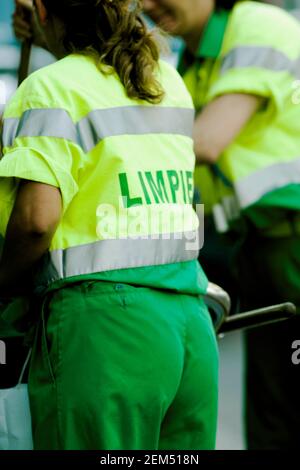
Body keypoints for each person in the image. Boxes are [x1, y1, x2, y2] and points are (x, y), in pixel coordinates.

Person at [0, 0, 218, 450]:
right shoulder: (166, 81)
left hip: (105, 336)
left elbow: (37, 221)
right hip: (189, 324)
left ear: (42, 10)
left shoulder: (50, 89)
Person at [143, 0, 300, 449]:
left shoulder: (257, 25)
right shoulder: (193, 57)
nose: (147, 6)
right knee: (275, 409)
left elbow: (207, 142)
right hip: (258, 244)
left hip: (292, 236)